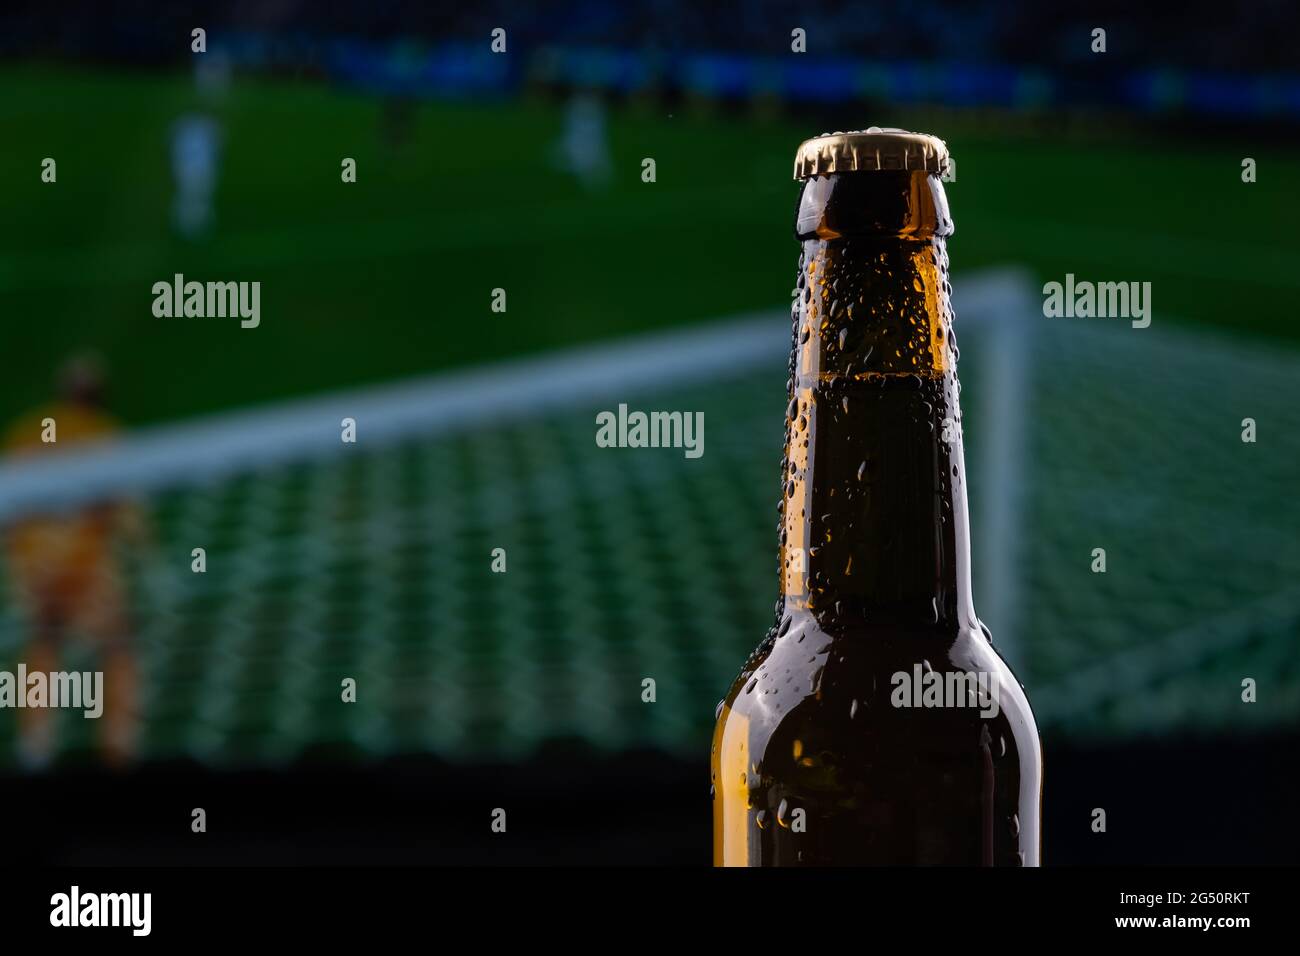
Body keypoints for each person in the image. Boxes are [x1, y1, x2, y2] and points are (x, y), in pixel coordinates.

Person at [2, 355, 144, 768]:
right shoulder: (105, 435)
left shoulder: (27, 431)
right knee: (118, 645)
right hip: (85, 565)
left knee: (44, 642)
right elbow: (125, 511)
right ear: (100, 398)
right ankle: (119, 743)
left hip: (34, 564)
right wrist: (146, 558)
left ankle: (36, 743)